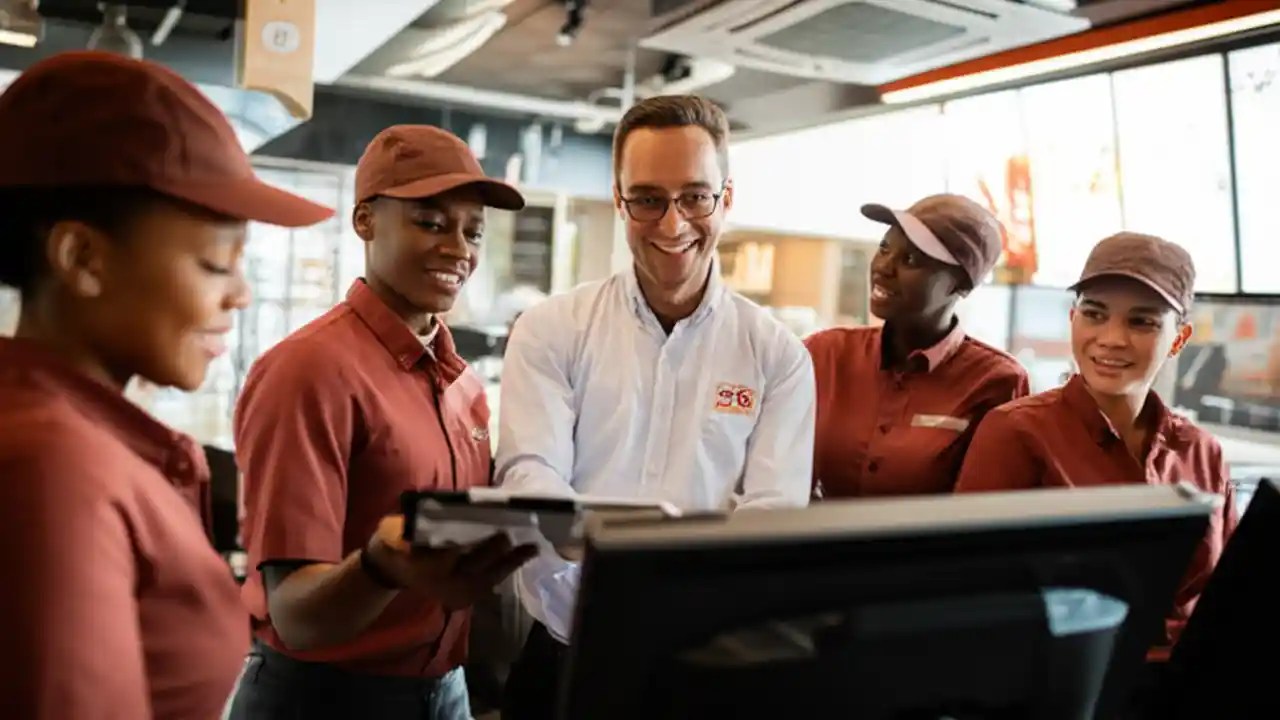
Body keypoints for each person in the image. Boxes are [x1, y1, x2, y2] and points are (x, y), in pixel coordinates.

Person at [0, 51, 333, 719]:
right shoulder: (56, 470)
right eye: (216, 262)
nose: (240, 295)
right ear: (81, 258)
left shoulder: (70, 440)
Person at [495, 95, 815, 720]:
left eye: (695, 196)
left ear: (725, 199)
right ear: (619, 200)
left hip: (709, 671)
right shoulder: (551, 329)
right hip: (565, 657)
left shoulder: (776, 355)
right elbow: (531, 474)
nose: (673, 225)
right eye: (647, 199)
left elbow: (771, 518)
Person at [227, 125, 536, 720]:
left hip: (446, 694)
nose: (459, 249)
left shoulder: (463, 385)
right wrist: (380, 565)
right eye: (431, 222)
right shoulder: (307, 371)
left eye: (473, 231)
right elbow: (295, 614)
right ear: (365, 220)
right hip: (324, 699)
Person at [955, 231, 1238, 658]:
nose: (1111, 338)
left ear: (1178, 339)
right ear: (1073, 320)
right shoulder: (1016, 432)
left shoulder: (1203, 452)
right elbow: (976, 592)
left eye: (1141, 321)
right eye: (1095, 313)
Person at [805, 195, 1029, 498]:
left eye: (911, 259)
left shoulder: (996, 381)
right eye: (884, 248)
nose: (884, 267)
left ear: (962, 284)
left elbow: (985, 511)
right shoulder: (825, 354)